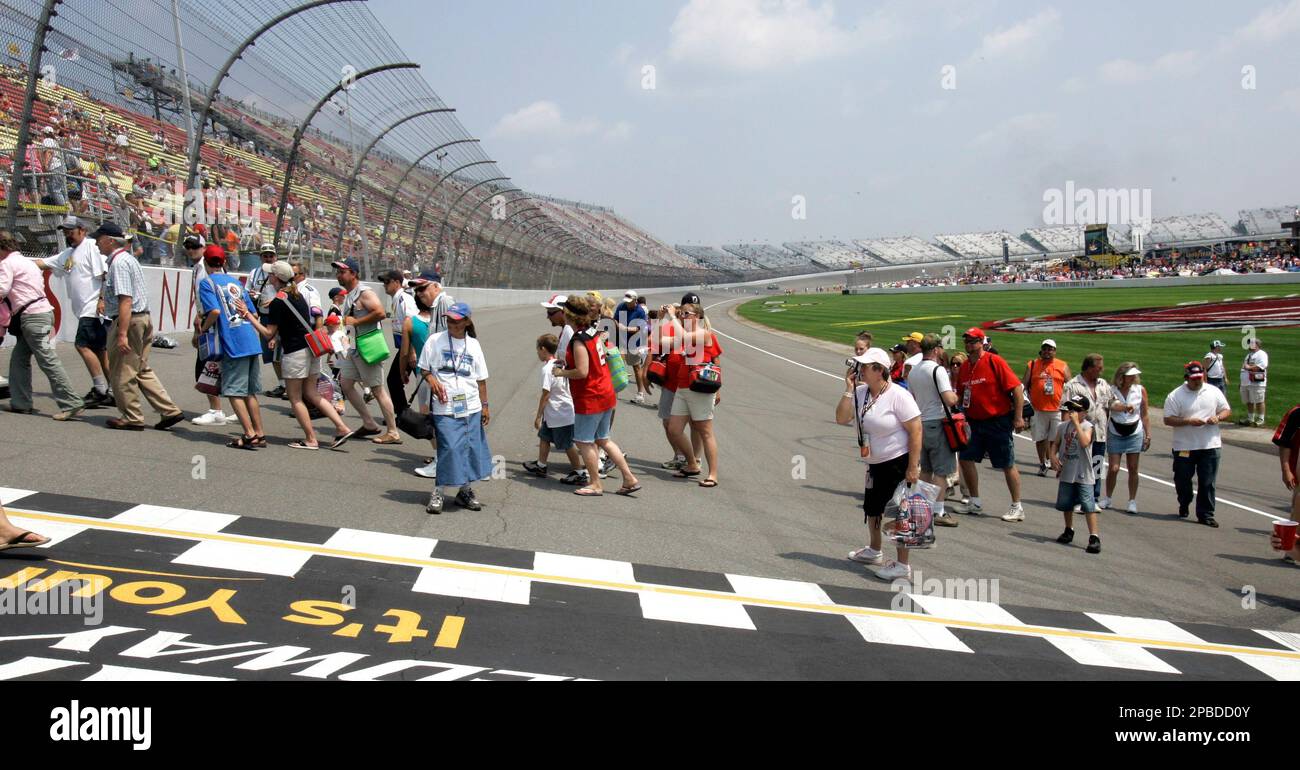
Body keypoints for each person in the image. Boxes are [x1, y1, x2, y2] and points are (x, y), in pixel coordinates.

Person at [237, 260, 355, 450]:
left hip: (295, 352)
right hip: (310, 348)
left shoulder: (278, 301)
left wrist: (249, 316)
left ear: (275, 278)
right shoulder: (297, 294)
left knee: (295, 398)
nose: (268, 277)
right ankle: (341, 427)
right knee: (311, 393)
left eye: (270, 274)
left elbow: (268, 333)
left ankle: (311, 439)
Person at [836, 347, 923, 581]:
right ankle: (874, 550)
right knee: (873, 509)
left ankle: (902, 565)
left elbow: (916, 430)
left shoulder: (898, 395)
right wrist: (848, 390)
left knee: (900, 513)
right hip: (874, 462)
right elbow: (842, 418)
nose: (860, 370)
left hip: (898, 461)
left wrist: (913, 467)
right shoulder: (861, 392)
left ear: (879, 370)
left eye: (865, 366)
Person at [95, 223, 185, 431]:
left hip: (129, 319)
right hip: (142, 317)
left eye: (99, 240)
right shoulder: (128, 259)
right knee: (141, 368)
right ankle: (169, 410)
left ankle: (132, 417)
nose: (97, 244)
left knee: (123, 370)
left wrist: (122, 334)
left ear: (109, 240)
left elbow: (125, 299)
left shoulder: (118, 263)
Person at [552, 296, 640, 497]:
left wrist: (561, 372)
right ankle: (629, 478)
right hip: (605, 391)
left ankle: (595, 483)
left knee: (584, 441)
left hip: (591, 395)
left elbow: (582, 371)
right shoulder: (593, 332)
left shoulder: (579, 339)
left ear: (569, 315)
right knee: (603, 439)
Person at [0, 232, 85, 420]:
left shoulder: (7, 263)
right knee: (19, 360)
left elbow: (2, 289)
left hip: (32, 317)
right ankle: (21, 403)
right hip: (41, 313)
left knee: (48, 361)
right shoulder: (27, 263)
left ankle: (71, 402)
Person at [417, 302, 491, 514]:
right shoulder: (435, 340)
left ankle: (464, 491)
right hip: (445, 405)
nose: (452, 324)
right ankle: (439, 490)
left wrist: (485, 405)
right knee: (448, 448)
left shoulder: (474, 345)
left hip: (471, 405)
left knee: (468, 448)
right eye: (449, 320)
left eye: (457, 321)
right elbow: (424, 369)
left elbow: (481, 379)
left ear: (467, 321)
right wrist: (431, 380)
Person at [32, 216, 111, 408]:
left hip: (92, 308)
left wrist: (101, 299)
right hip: (84, 309)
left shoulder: (92, 247)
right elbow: (42, 263)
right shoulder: (67, 254)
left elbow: (104, 275)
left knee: (82, 345)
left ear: (82, 230)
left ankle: (100, 389)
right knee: (99, 350)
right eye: (65, 233)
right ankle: (114, 390)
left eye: (71, 232)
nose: (68, 236)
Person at [952, 327, 1026, 521]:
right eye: (966, 341)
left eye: (973, 341)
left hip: (997, 421)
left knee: (1007, 463)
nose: (969, 345)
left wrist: (1018, 417)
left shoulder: (994, 361)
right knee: (966, 459)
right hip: (974, 422)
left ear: (981, 342)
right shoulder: (966, 367)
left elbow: (1016, 388)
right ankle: (975, 501)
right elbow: (960, 395)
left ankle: (1017, 505)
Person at [196, 245, 266, 449]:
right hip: (250, 339)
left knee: (234, 391)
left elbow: (215, 311)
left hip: (232, 341)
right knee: (250, 392)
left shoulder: (207, 282)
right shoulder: (236, 282)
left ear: (206, 263)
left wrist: (203, 329)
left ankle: (249, 434)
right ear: (224, 262)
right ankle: (259, 433)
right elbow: (251, 311)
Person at [333, 258, 401, 444]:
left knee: (378, 390)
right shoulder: (350, 294)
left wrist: (357, 322)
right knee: (346, 384)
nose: (338, 275)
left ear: (353, 273)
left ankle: (393, 432)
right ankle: (369, 423)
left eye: (342, 272)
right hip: (353, 348)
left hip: (367, 348)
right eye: (337, 272)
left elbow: (380, 312)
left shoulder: (365, 292)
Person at [1163, 361, 1232, 527]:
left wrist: (1218, 417)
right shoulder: (1175, 395)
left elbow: (1226, 410)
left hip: (1210, 444)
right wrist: (1188, 421)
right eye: (1194, 378)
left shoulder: (1213, 391)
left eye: (1200, 378)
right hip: (1184, 446)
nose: (1197, 381)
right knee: (1182, 479)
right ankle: (1184, 501)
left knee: (1208, 482)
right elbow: (1168, 419)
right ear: (1187, 378)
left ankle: (1206, 514)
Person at [665, 300, 723, 487]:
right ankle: (692, 463)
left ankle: (713, 474)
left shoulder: (703, 334)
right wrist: (661, 320)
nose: (683, 316)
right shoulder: (685, 334)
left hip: (699, 387)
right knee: (674, 430)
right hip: (682, 387)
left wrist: (673, 316)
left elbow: (716, 361)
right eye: (681, 313)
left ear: (697, 317)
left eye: (686, 314)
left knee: (705, 431)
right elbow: (658, 341)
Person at [906, 333, 959, 527]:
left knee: (926, 469)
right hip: (937, 422)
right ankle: (939, 510)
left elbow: (911, 397)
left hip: (920, 423)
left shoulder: (913, 371)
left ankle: (922, 507)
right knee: (941, 471)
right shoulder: (938, 371)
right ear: (936, 349)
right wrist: (957, 396)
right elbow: (949, 399)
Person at [404, 272, 449, 479]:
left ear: (436, 286)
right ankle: (444, 461)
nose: (419, 293)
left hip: (443, 375)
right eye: (416, 290)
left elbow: (453, 338)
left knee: (442, 419)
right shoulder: (437, 305)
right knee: (440, 418)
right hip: (439, 373)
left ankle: (443, 463)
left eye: (423, 288)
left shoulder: (445, 303)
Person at [524, 333, 582, 480]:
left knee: (567, 444)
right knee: (544, 437)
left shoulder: (547, 370)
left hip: (560, 413)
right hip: (555, 413)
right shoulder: (560, 363)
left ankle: (579, 472)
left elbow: (546, 394)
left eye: (537, 349)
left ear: (543, 349)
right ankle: (541, 465)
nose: (537, 352)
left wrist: (538, 416)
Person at [1051, 395, 1101, 554]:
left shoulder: (1087, 426)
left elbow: (1085, 442)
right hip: (1067, 471)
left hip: (1083, 473)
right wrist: (1052, 457)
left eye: (1076, 410)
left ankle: (1094, 536)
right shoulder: (1062, 426)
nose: (1071, 412)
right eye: (1070, 409)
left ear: (1084, 413)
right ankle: (1068, 529)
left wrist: (1076, 424)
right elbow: (1056, 443)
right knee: (1066, 503)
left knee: (1088, 505)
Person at [1061, 353, 1113, 504]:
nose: (1101, 372)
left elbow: (1110, 404)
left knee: (1097, 465)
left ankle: (1093, 498)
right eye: (1099, 368)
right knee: (1080, 467)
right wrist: (1066, 435)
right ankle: (1078, 499)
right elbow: (1065, 411)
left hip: (1099, 433)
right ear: (1089, 368)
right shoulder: (1072, 385)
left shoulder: (1103, 384)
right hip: (1080, 434)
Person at [1103, 363, 1149, 514]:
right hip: (1115, 431)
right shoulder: (1112, 390)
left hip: (1134, 431)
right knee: (1114, 468)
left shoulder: (1140, 390)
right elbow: (1109, 407)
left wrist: (1147, 434)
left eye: (1134, 375)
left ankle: (1132, 501)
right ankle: (1108, 498)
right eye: (1130, 375)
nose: (1133, 378)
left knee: (1133, 468)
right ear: (1121, 376)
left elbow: (1144, 413)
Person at [1024, 339, 1071, 476]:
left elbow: (1070, 386)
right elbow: (1024, 385)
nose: (1047, 352)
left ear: (1055, 351)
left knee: (1054, 438)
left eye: (1050, 349)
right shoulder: (1032, 365)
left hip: (1057, 408)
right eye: (1045, 349)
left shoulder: (1062, 366)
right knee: (1040, 438)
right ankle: (1042, 462)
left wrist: (1068, 406)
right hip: (1038, 408)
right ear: (1041, 350)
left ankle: (1051, 460)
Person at [247, 244, 285, 399]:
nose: (268, 258)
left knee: (283, 352)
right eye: (265, 256)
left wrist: (275, 301)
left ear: (275, 257)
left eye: (271, 255)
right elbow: (247, 291)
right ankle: (282, 384)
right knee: (270, 353)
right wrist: (252, 296)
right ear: (260, 257)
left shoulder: (281, 271)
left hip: (281, 317)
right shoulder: (254, 273)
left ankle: (291, 385)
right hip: (264, 316)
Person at [379, 269, 418, 417]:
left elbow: (413, 325)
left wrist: (412, 352)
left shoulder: (404, 299)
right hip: (404, 348)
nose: (384, 285)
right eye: (383, 282)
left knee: (396, 380)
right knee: (396, 380)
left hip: (411, 348)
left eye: (387, 282)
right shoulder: (396, 299)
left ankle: (403, 414)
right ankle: (402, 413)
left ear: (396, 282)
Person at [1271, 403, 1300, 562]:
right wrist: (1286, 470)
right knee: (1297, 513)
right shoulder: (1296, 413)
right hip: (1298, 472)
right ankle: (1292, 550)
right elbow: (1284, 442)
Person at [614, 290, 650, 405]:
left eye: (630, 301)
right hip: (621, 340)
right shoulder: (621, 306)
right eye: (626, 301)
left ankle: (640, 394)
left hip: (634, 342)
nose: (627, 303)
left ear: (635, 300)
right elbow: (615, 319)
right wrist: (616, 324)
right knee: (618, 364)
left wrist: (626, 329)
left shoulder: (640, 311)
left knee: (636, 367)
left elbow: (640, 327)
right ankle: (614, 392)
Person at [1238, 337, 1268, 427]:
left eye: (1252, 343)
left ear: (1257, 344)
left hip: (1257, 382)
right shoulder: (1249, 355)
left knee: (1259, 400)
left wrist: (1249, 367)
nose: (1250, 345)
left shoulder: (1262, 354)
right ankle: (1250, 418)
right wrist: (1241, 382)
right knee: (1249, 401)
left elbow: (1262, 365)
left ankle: (1261, 419)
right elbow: (1244, 368)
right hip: (1246, 382)